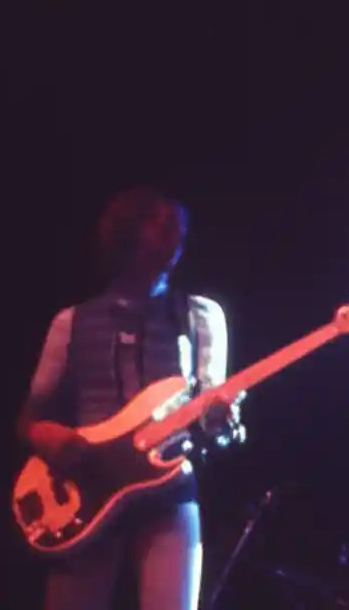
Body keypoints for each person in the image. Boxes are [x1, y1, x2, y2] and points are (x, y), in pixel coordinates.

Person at [17, 187, 242, 610]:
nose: (180, 231)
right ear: (128, 232)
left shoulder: (202, 316)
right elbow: (30, 415)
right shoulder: (71, 322)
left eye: (182, 226)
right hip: (86, 488)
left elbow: (213, 413)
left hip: (168, 487)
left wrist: (220, 416)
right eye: (164, 222)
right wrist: (43, 434)